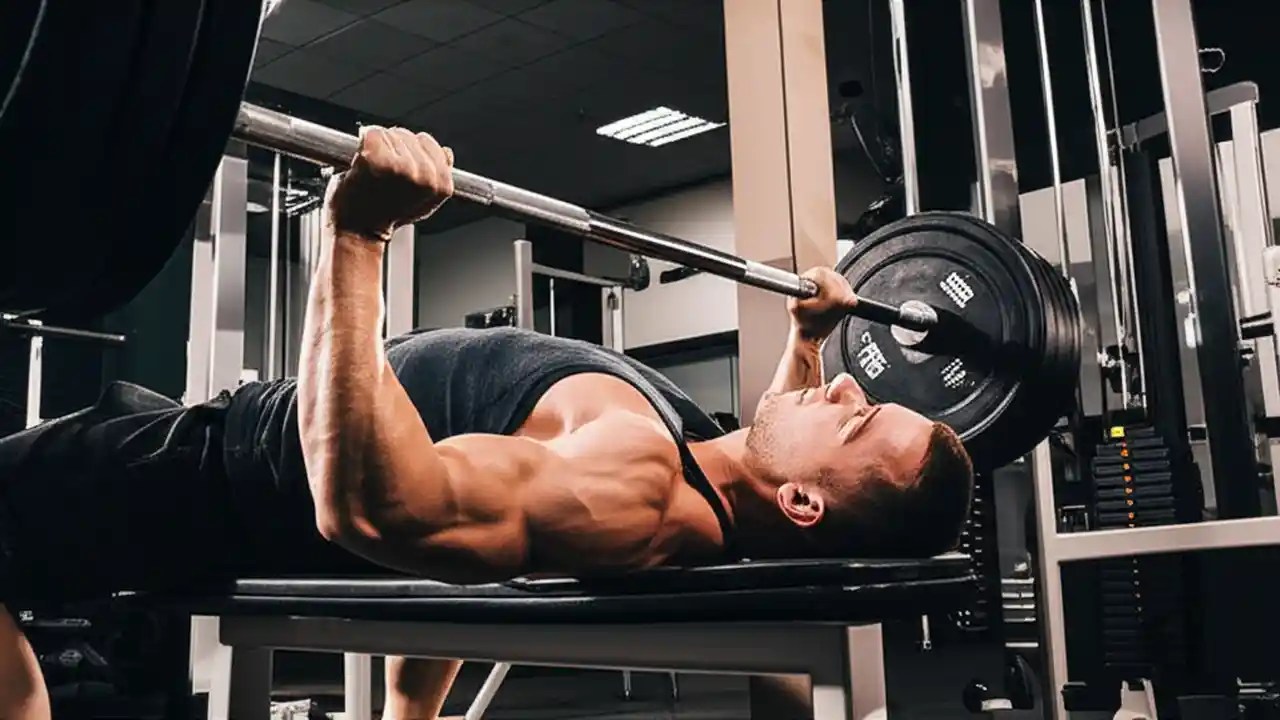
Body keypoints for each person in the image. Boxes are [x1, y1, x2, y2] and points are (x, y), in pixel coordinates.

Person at [0, 128, 974, 719]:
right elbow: (482, 543)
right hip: (215, 439)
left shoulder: (633, 488)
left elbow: (381, 511)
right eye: (861, 392)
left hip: (215, 472)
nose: (845, 389)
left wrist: (356, 233)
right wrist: (804, 345)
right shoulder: (719, 473)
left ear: (801, 501)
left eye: (853, 421)